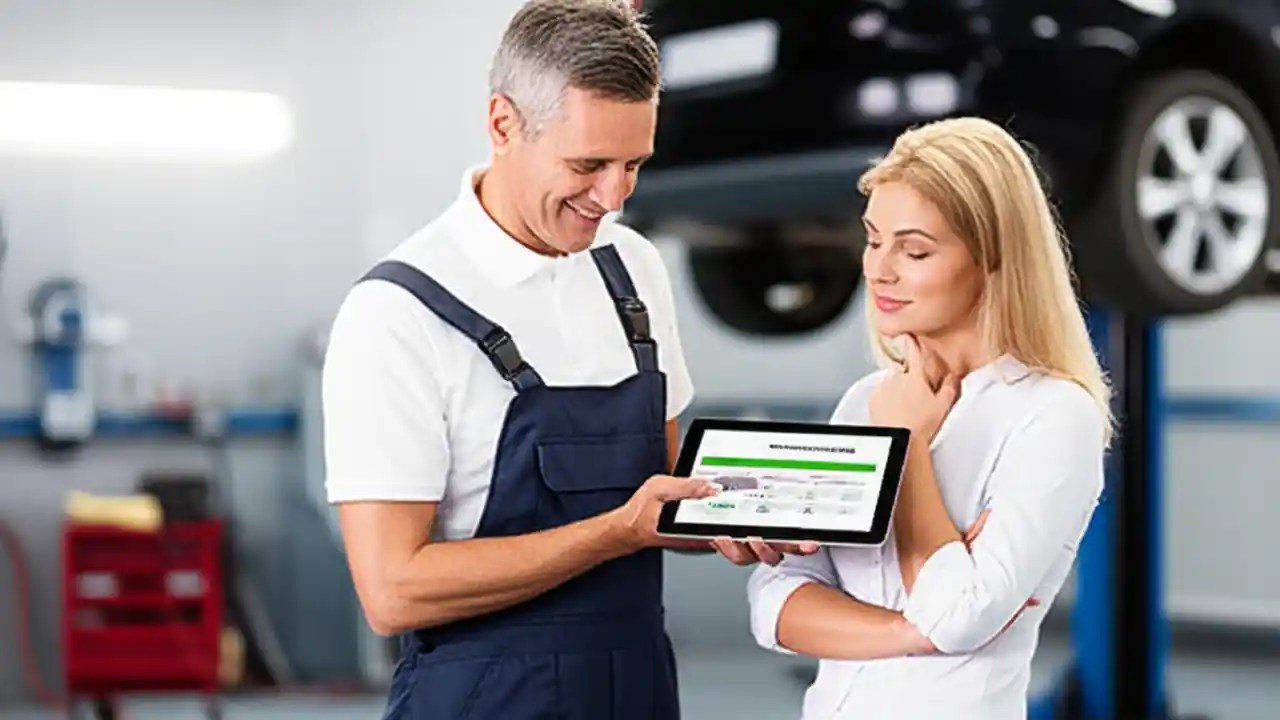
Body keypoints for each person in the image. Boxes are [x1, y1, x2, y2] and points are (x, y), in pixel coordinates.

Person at [321, 2, 807, 718]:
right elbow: (393, 590)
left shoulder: (632, 270)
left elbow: (662, 490)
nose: (612, 197)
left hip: (636, 690)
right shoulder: (398, 313)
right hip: (481, 701)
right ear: (503, 124)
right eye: (587, 165)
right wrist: (615, 533)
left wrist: (755, 505)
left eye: (634, 164)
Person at [746, 116, 1114, 719]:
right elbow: (775, 604)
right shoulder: (864, 401)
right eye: (872, 239)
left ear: (993, 257)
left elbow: (958, 616)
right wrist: (914, 633)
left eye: (914, 249)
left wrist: (907, 444)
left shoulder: (1053, 415)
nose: (880, 269)